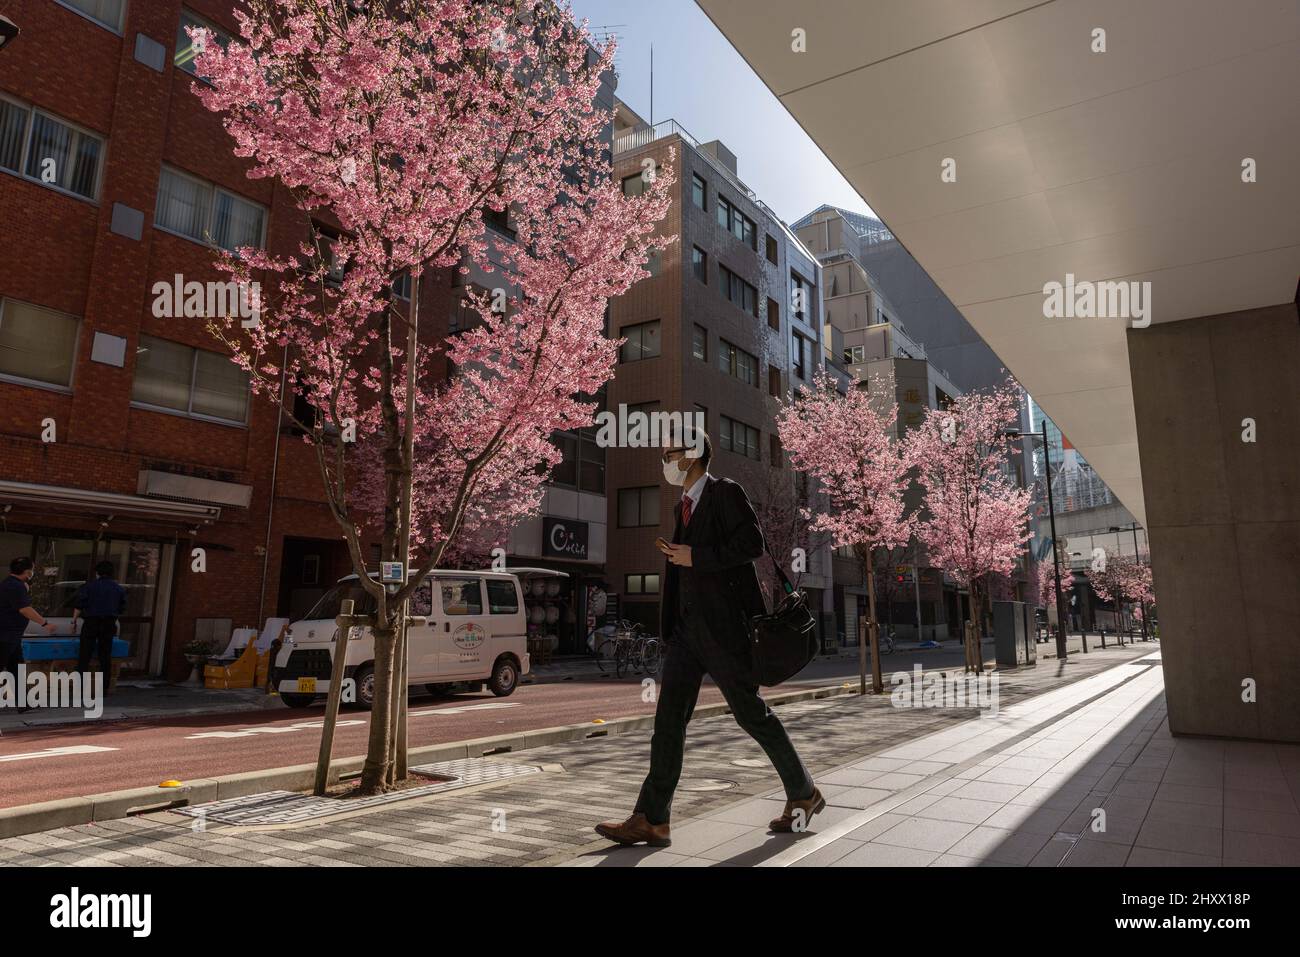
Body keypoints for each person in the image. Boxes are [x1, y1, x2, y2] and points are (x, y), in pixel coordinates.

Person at [595, 427, 822, 847]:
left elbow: (752, 544)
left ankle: (804, 792)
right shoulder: (683, 505)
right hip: (686, 634)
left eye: (670, 453)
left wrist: (694, 556)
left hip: (724, 632)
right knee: (667, 723)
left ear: (693, 454)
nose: (665, 460)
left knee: (751, 714)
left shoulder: (725, 492)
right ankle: (651, 818)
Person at [1, 557, 56, 711]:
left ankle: (24, 702)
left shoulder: (10, 584)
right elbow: (25, 609)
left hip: (12, 634)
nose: (32, 572)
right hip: (6, 635)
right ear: (27, 571)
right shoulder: (15, 586)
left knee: (16, 668)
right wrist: (45, 623)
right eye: (32, 569)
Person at [72, 560, 126, 684]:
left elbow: (79, 605)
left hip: (91, 622)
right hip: (109, 622)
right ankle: (104, 687)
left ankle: (80, 686)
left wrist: (73, 621)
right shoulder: (118, 589)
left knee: (85, 654)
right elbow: (121, 608)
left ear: (97, 573)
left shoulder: (89, 586)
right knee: (105, 655)